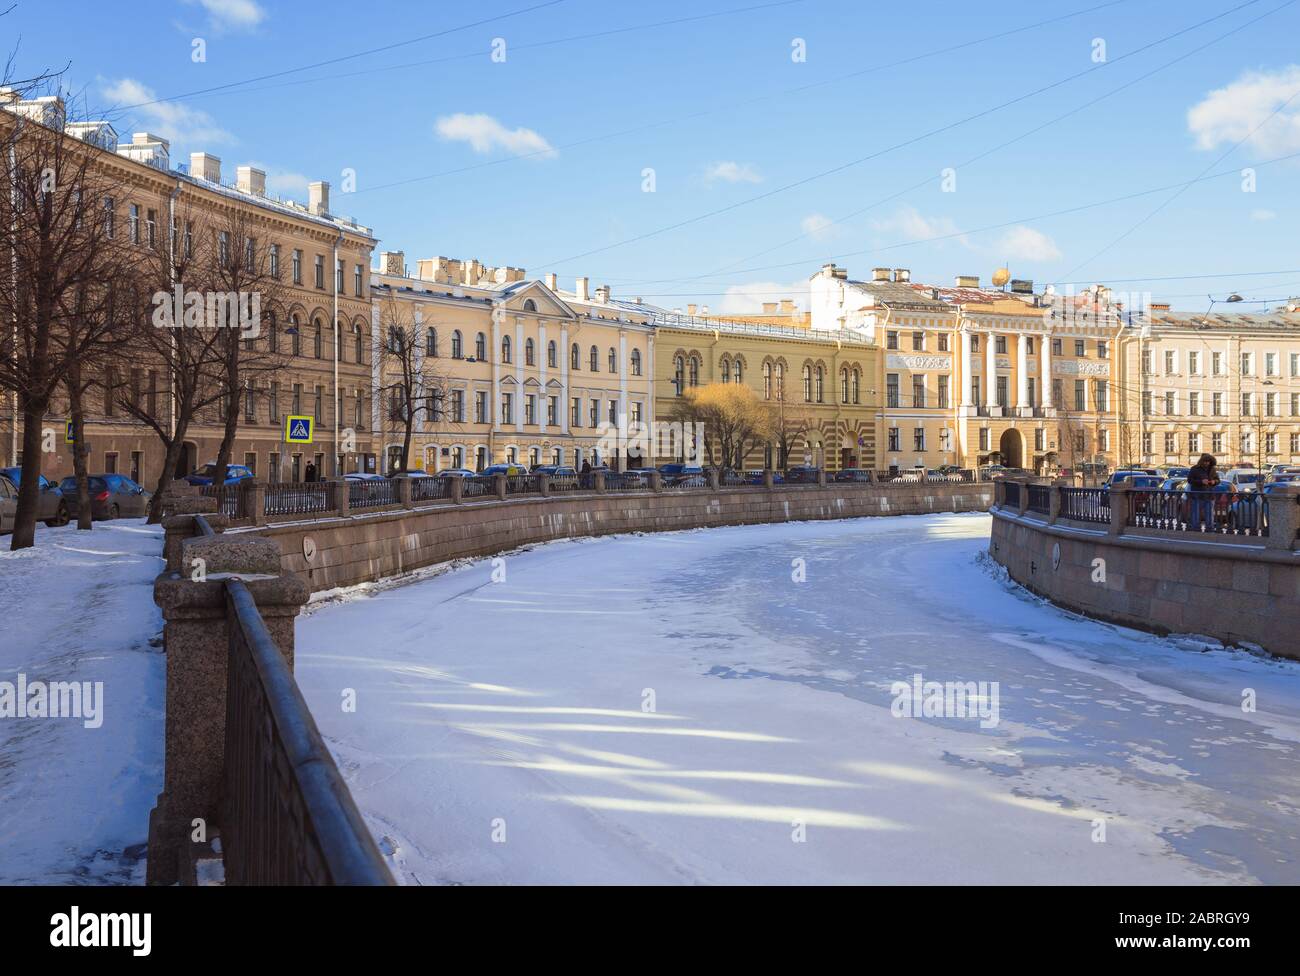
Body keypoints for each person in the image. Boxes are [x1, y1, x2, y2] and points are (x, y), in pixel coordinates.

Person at [1187, 453, 1218, 531]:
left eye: (1208, 461)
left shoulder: (1212, 469)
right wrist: (1201, 481)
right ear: (1201, 461)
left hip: (1209, 494)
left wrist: (1214, 481)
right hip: (1197, 495)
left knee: (1209, 513)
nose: (1207, 463)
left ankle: (1209, 528)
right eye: (1205, 461)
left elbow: (1218, 479)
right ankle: (1196, 528)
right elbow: (1189, 480)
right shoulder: (1194, 468)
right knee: (1196, 513)